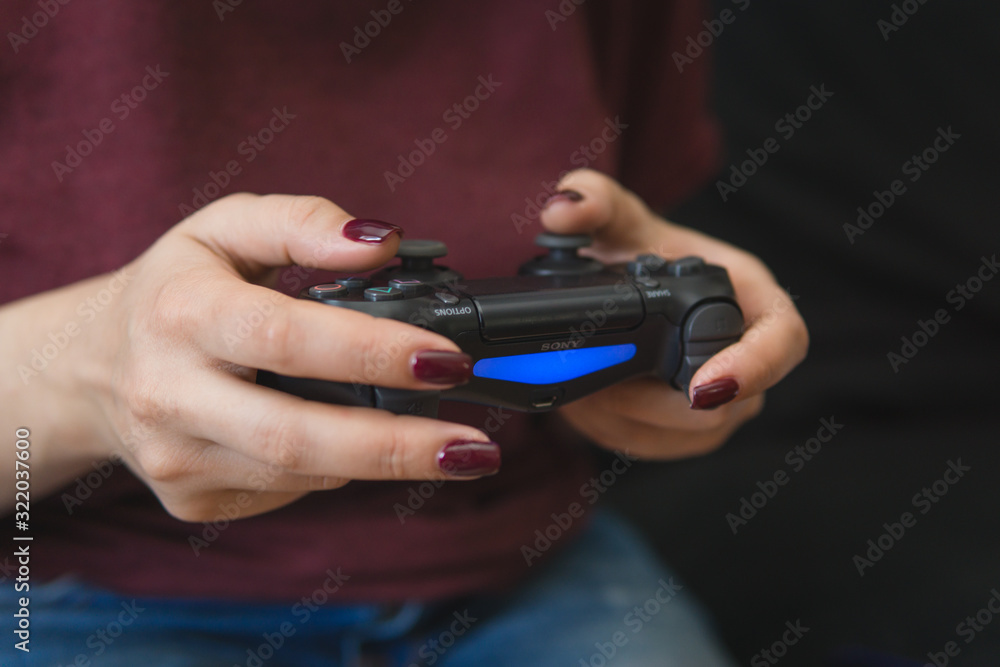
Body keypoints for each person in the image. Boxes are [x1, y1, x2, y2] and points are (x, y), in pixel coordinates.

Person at [0, 1, 806, 664]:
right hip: (72, 577)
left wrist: (669, 358)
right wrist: (84, 376)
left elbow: (629, 229)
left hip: (520, 554)